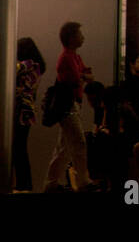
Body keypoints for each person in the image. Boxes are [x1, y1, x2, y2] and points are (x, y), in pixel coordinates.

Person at [44, 21, 97, 192]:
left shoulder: (72, 56)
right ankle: (83, 181)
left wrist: (83, 76)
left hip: (71, 105)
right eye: (80, 34)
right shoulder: (68, 57)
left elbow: (81, 76)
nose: (83, 37)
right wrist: (85, 76)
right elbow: (77, 79)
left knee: (64, 147)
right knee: (78, 143)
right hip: (68, 106)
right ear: (72, 37)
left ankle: (51, 183)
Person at [13, 37, 46, 192]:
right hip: (27, 112)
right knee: (20, 148)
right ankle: (23, 184)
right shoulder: (37, 66)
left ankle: (23, 184)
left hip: (21, 111)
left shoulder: (29, 64)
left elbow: (13, 68)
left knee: (18, 149)